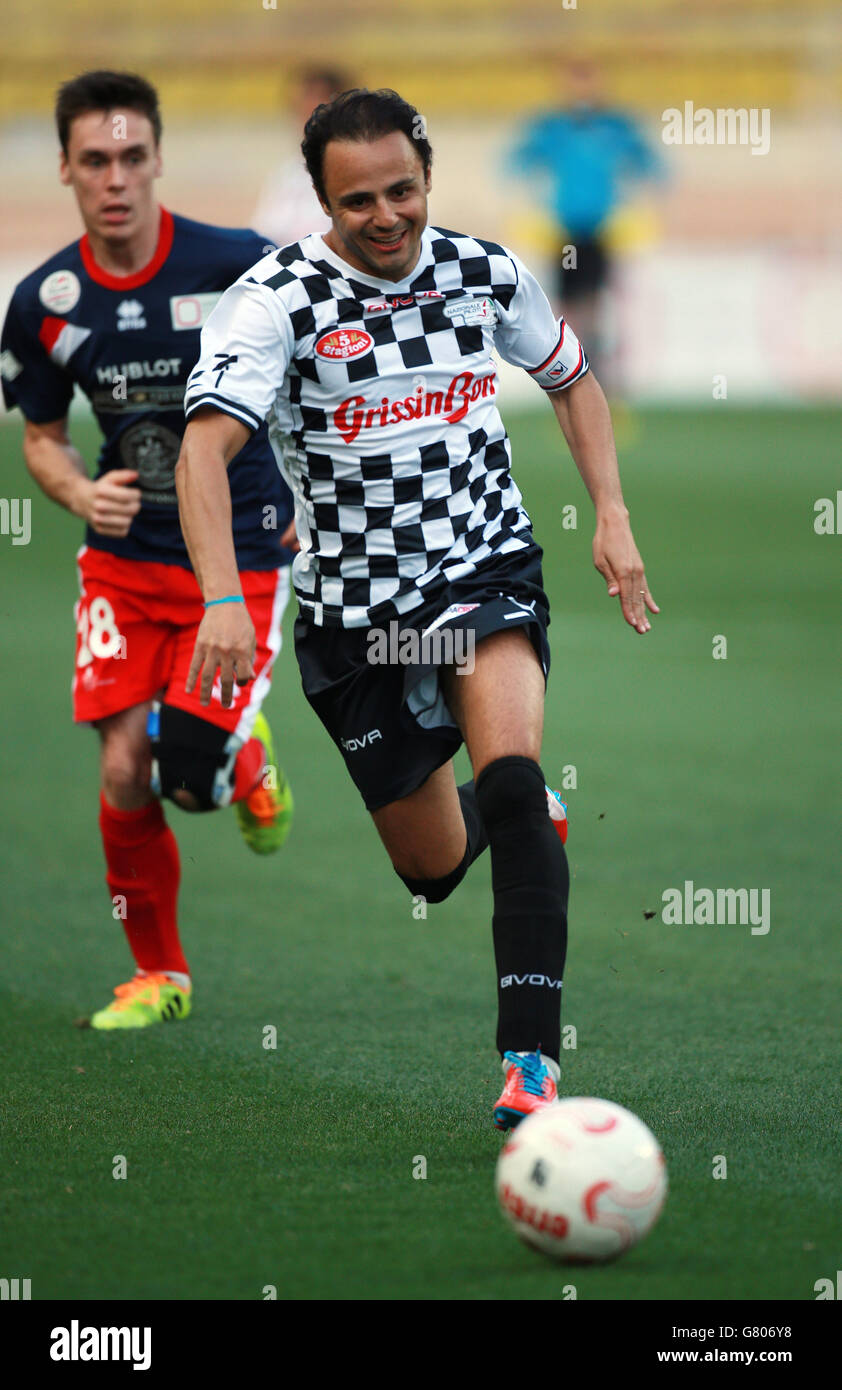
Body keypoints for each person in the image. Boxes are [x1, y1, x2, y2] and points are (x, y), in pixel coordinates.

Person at [175, 89, 658, 1129]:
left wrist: (609, 516)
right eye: (359, 201)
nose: (387, 214)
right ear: (321, 201)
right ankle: (509, 816)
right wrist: (222, 594)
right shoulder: (276, 300)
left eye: (402, 189)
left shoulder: (483, 272)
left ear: (426, 174)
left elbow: (571, 379)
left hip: (482, 571)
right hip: (356, 615)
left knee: (516, 778)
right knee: (431, 867)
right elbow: (203, 450)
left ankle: (529, 1064)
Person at [0, 70, 296, 1030]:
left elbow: (316, 390)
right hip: (121, 569)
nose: (116, 178)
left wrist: (307, 493)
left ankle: (241, 760)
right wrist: (80, 490)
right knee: (124, 767)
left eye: (132, 158)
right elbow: (41, 436)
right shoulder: (43, 302)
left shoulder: (239, 265)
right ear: (66, 170)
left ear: (159, 159)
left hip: (238, 558)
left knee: (186, 782)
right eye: (95, 161)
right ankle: (158, 975)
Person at [510, 59, 664, 384]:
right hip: (564, 232)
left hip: (600, 232)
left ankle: (598, 379)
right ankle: (570, 378)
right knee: (566, 311)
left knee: (596, 306)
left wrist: (637, 201)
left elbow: (650, 163)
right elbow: (518, 163)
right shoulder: (553, 127)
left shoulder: (615, 126)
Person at [251, 67, 351, 249]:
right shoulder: (285, 175)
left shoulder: (359, 171)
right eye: (303, 109)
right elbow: (264, 235)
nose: (308, 118)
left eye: (318, 110)